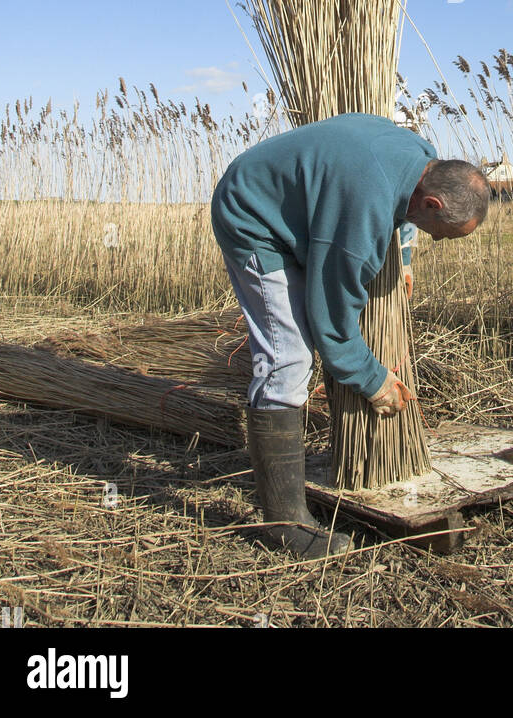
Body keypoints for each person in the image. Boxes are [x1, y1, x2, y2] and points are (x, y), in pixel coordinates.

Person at [210, 112, 490, 559]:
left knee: (300, 342)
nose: (438, 241)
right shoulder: (361, 216)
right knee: (288, 359)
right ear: (433, 203)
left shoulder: (422, 158)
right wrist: (371, 379)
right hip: (252, 215)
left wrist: (406, 254)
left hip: (303, 204)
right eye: (443, 235)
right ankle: (283, 522)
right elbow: (331, 316)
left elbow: (403, 210)